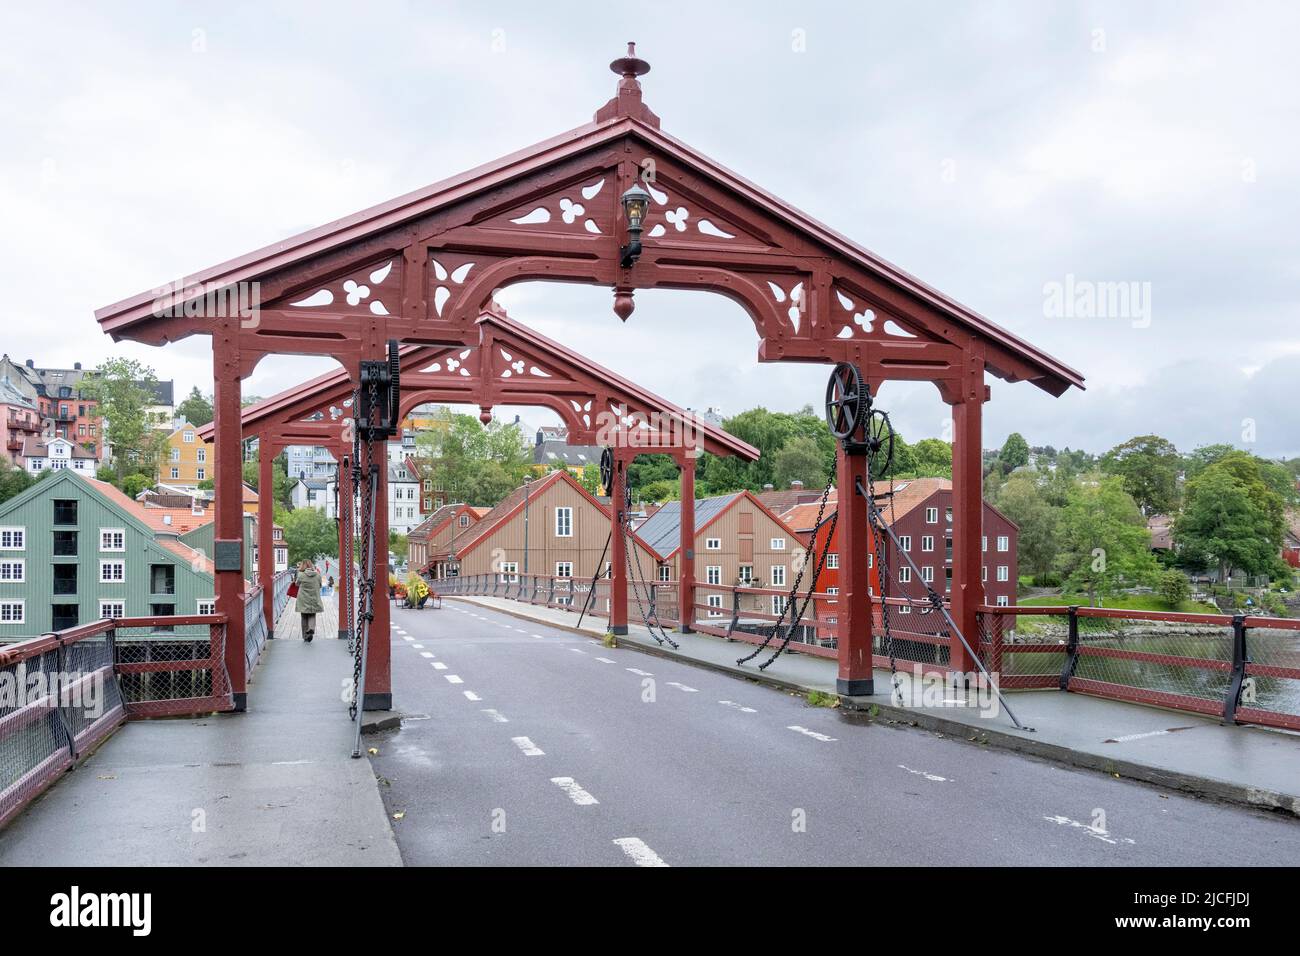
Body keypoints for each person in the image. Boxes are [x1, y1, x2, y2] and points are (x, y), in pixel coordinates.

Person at [294, 559, 324, 642]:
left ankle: (305, 636)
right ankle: (311, 628)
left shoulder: (300, 575)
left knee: (304, 616)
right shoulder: (317, 575)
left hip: (303, 598)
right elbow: (320, 585)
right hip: (314, 597)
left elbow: (296, 584)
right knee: (312, 614)